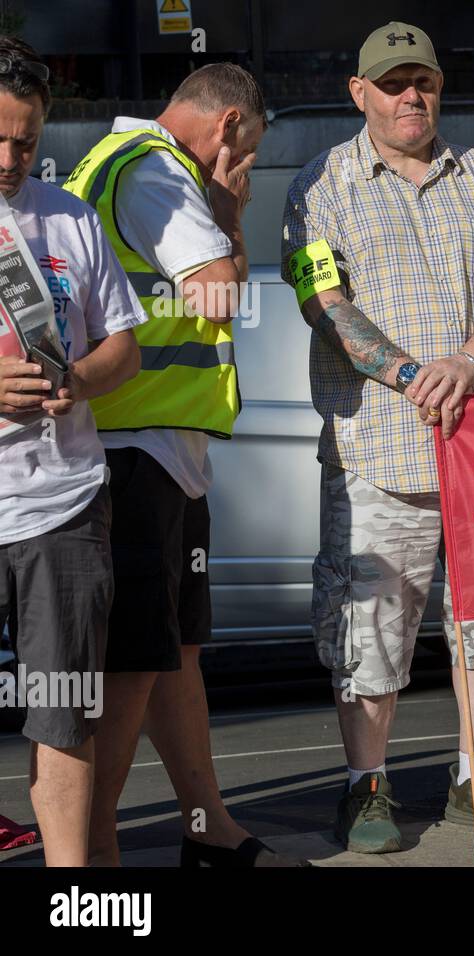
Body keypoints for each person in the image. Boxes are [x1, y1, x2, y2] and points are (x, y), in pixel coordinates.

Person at [281, 21, 474, 853]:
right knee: (368, 627)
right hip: (378, 450)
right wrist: (411, 375)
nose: (412, 96)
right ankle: (366, 788)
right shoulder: (319, 183)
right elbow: (320, 302)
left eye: (425, 82)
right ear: (359, 93)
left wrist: (471, 359)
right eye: (393, 83)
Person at [63, 63, 303, 866]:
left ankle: (208, 828)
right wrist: (231, 210)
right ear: (229, 125)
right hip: (135, 453)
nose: (243, 167)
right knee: (133, 667)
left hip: (158, 450)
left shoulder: (110, 160)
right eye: (250, 151)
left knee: (174, 656)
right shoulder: (161, 171)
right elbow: (217, 295)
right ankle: (96, 860)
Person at [0, 37, 145, 866]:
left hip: (62, 507)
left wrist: (80, 381)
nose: (11, 158)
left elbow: (123, 347)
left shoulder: (71, 219)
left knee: (63, 711)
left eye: (26, 139)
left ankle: (74, 892)